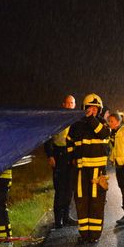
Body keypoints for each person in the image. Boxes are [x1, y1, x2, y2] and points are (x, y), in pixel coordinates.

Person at [67, 93, 110, 243]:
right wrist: (72, 158)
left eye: (95, 108)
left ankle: (95, 235)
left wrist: (91, 118)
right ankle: (84, 234)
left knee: (96, 203)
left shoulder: (103, 124)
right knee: (81, 202)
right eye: (90, 108)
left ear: (99, 110)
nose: (93, 110)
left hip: (98, 173)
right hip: (81, 171)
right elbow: (69, 142)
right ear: (84, 108)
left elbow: (103, 134)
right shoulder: (77, 125)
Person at [44, 94, 77, 228]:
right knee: (59, 189)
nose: (70, 105)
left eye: (72, 103)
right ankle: (58, 220)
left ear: (75, 105)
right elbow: (47, 138)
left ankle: (66, 217)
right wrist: (50, 155)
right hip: (58, 155)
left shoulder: (76, 120)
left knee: (69, 188)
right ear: (63, 104)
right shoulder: (56, 120)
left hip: (71, 157)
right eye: (68, 103)